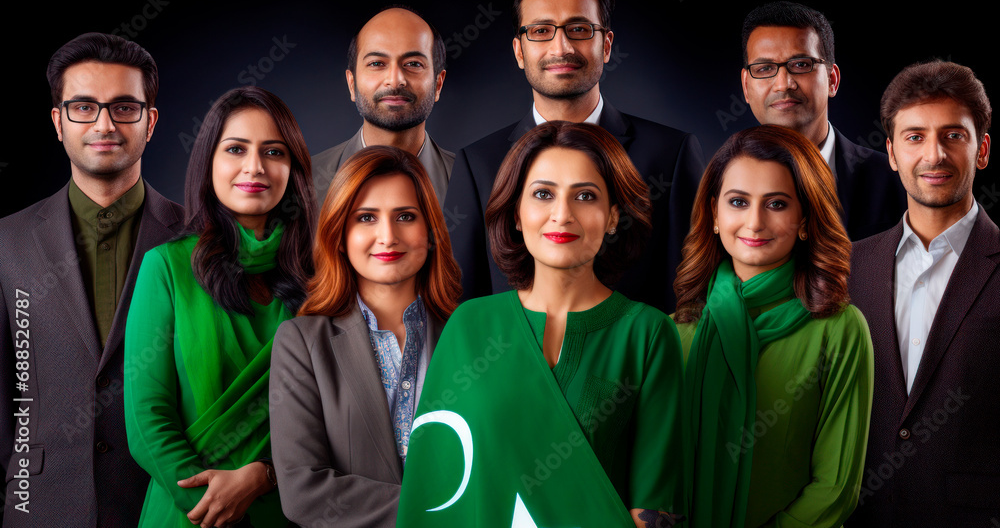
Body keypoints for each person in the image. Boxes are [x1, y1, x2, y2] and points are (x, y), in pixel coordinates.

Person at [399, 122, 686, 527]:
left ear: (612, 217)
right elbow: (434, 489)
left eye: (585, 196)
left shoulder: (648, 334)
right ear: (517, 214)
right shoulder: (470, 326)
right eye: (543, 194)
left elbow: (655, 505)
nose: (562, 214)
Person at [445, 0, 705, 313]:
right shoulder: (478, 165)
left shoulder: (671, 154)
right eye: (541, 31)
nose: (561, 48)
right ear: (520, 51)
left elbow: (690, 298)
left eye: (579, 29)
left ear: (607, 44)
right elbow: (460, 305)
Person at [0, 32, 184, 527]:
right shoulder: (7, 242)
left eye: (125, 107)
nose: (104, 124)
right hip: (38, 506)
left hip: (168, 504)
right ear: (58, 122)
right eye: (83, 107)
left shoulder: (201, 240)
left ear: (151, 121)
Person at [124, 86, 316, 527]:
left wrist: (263, 476)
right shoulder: (167, 268)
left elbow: (330, 420)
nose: (255, 167)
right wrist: (211, 504)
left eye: (274, 151)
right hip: (186, 510)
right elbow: (146, 418)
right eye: (235, 149)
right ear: (209, 162)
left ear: (294, 168)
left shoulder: (321, 280)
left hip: (287, 508)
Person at [675, 125, 874, 527]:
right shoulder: (672, 330)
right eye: (738, 202)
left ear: (805, 218)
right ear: (714, 214)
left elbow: (836, 488)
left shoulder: (839, 328)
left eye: (777, 204)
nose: (755, 222)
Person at [269, 145, 461, 527]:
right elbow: (302, 492)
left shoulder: (471, 334)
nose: (387, 236)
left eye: (405, 216)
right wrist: (437, 511)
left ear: (431, 231)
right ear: (340, 234)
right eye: (366, 218)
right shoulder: (301, 343)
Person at [845, 61, 999, 526]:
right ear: (891, 153)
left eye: (954, 135)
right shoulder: (847, 267)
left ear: (982, 149)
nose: (934, 154)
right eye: (915, 137)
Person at [740, 1, 907, 240]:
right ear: (746, 86)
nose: (783, 83)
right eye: (765, 68)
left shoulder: (895, 181)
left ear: (832, 80)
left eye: (800, 65)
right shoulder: (723, 183)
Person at [312, 7, 454, 207]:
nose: (395, 81)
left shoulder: (471, 183)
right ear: (352, 84)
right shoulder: (304, 184)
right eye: (377, 63)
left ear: (438, 85)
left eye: (413, 64)